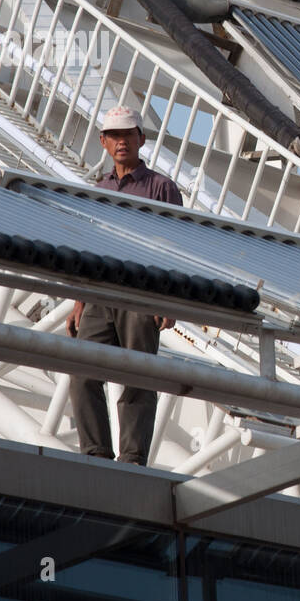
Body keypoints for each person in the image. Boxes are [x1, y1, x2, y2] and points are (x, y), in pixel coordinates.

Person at [66, 106, 183, 466]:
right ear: (103, 142)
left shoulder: (162, 188)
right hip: (101, 294)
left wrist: (169, 300)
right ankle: (96, 453)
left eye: (128, 135)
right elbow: (91, 248)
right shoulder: (99, 189)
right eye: (114, 136)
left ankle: (132, 457)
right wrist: (79, 301)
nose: (121, 142)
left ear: (141, 140)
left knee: (137, 378)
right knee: (82, 373)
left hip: (141, 294)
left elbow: (179, 248)